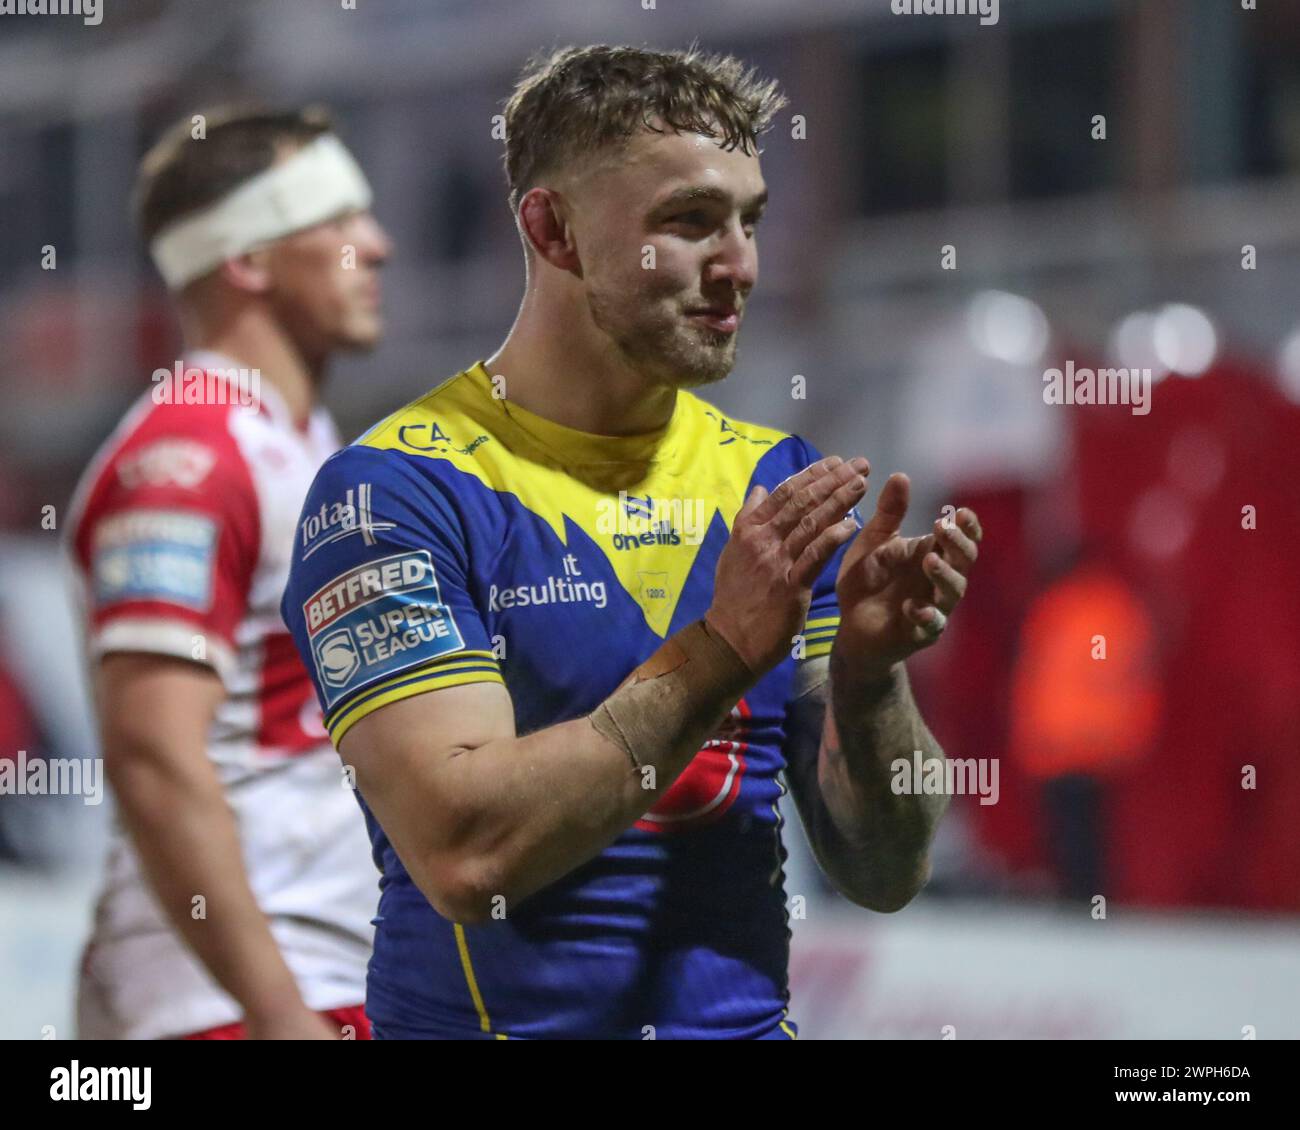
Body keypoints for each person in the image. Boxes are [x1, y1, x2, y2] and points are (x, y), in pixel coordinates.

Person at [282, 45, 983, 1040]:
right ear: (551, 227)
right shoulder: (398, 491)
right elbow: (464, 853)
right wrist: (722, 651)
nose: (738, 262)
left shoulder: (773, 483)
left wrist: (871, 681)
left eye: (750, 219)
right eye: (690, 220)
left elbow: (882, 870)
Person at [67, 105, 391, 1039]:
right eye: (336, 222)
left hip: (320, 976)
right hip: (235, 1000)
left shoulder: (304, 445)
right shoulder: (185, 460)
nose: (377, 246)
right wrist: (279, 1017)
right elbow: (155, 756)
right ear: (247, 260)